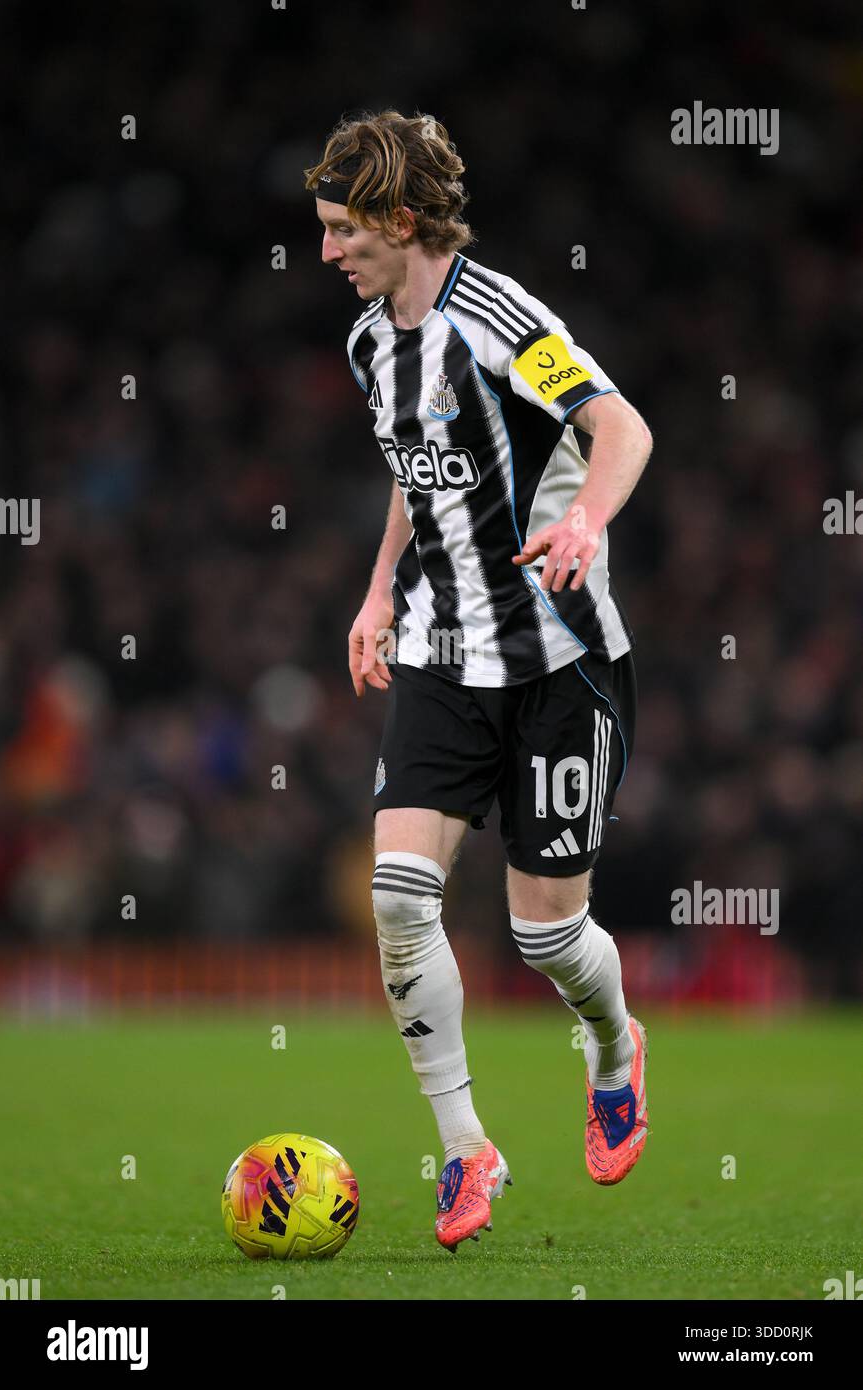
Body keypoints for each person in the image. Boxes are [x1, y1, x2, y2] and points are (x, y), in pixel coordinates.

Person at [305, 109, 653, 1251]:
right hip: (440, 656)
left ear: (400, 221)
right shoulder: (369, 343)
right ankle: (466, 1150)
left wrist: (588, 522)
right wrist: (374, 593)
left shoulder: (504, 320)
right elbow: (420, 472)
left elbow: (621, 429)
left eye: (340, 230)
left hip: (558, 663)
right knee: (400, 900)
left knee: (547, 940)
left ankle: (613, 1048)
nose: (326, 253)